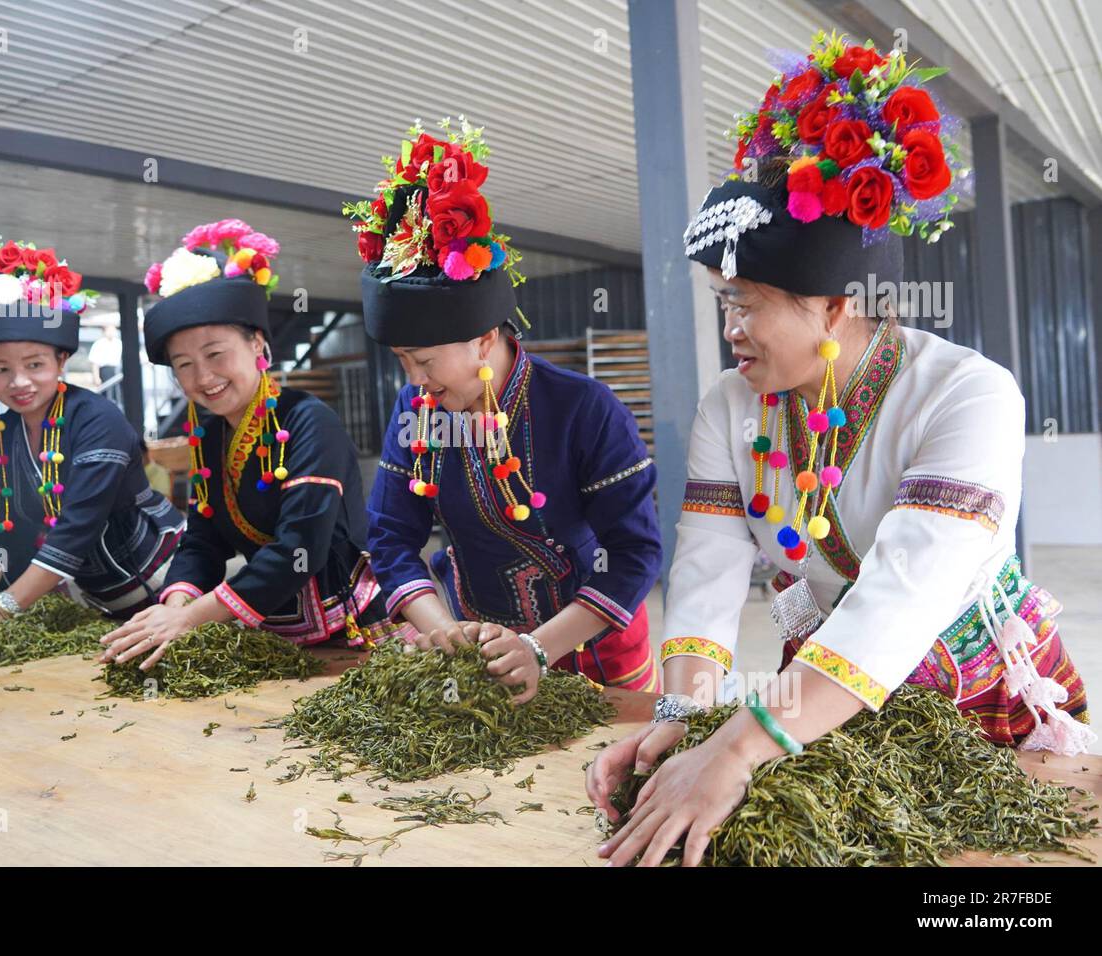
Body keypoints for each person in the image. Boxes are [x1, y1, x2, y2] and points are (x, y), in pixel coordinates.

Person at [587, 32, 1093, 867]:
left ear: (832, 304)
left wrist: (738, 750)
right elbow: (708, 576)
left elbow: (901, 596)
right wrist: (678, 724)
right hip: (809, 685)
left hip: (968, 690)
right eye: (722, 303)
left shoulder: (967, 394)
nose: (730, 330)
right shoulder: (730, 408)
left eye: (746, 302)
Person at [350, 120, 664, 704]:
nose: (413, 381)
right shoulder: (416, 410)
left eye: (424, 360)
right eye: (400, 361)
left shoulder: (583, 409)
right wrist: (445, 633)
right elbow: (393, 537)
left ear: (483, 337)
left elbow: (634, 552)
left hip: (591, 647)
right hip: (478, 642)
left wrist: (539, 648)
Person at [99, 219, 404, 670]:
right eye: (184, 365)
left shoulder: (307, 420)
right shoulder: (208, 433)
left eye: (216, 354)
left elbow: (299, 552)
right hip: (270, 633)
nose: (203, 377)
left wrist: (191, 620)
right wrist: (177, 603)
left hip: (353, 633)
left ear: (257, 344)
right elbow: (203, 542)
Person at [0, 238, 186, 662]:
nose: (18, 382)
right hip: (100, 595)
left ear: (61, 362)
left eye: (35, 365)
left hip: (168, 584)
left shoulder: (98, 421)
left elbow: (75, 529)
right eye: (1, 369)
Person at [88, 324, 122, 404]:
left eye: (113, 330)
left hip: (118, 371)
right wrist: (96, 377)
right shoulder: (99, 344)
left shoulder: (118, 343)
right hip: (105, 371)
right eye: (109, 330)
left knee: (118, 395)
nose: (111, 332)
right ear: (104, 331)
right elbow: (94, 362)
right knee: (106, 395)